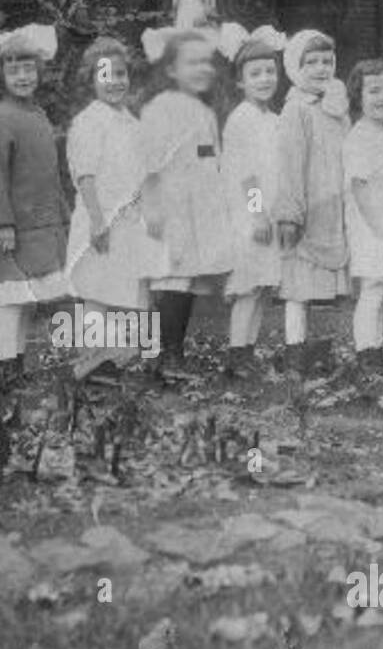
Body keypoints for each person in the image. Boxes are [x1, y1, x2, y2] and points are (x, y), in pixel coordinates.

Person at [138, 28, 233, 382]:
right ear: (171, 70)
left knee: (189, 278)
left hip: (198, 206)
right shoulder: (160, 109)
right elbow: (148, 165)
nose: (203, 69)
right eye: (192, 62)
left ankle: (173, 352)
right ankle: (163, 356)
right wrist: (153, 208)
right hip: (170, 206)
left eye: (207, 62)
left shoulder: (202, 111)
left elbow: (208, 156)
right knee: (171, 278)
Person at [0, 28, 70, 388]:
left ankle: (22, 362)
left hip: (45, 226)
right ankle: (8, 367)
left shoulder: (38, 114)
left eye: (28, 69)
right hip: (16, 228)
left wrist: (64, 215)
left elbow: (49, 173)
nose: (23, 77)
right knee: (13, 300)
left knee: (34, 299)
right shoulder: (1, 119)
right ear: (1, 76)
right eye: (14, 71)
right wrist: (2, 223)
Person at [64, 36, 152, 383]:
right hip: (99, 217)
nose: (115, 81)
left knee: (125, 288)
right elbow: (85, 175)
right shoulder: (89, 121)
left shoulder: (129, 120)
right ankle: (91, 365)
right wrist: (97, 221)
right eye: (105, 75)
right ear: (91, 80)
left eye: (120, 74)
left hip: (129, 221)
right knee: (97, 291)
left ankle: (119, 360)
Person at [272, 30, 351, 377]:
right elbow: (289, 164)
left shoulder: (337, 108)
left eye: (327, 61)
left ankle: (316, 352)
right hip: (306, 208)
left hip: (333, 209)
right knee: (299, 287)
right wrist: (290, 212)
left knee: (324, 286)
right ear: (296, 66)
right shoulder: (295, 110)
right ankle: (293, 352)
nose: (321, 69)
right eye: (312, 62)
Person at [218, 24, 287, 380]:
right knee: (248, 285)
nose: (264, 79)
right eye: (255, 73)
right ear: (241, 82)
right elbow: (246, 174)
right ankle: (236, 354)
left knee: (263, 285)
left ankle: (247, 350)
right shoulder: (241, 119)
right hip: (250, 214)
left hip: (270, 213)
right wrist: (257, 213)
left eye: (270, 72)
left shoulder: (274, 120)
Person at [342, 58, 383, 379]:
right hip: (369, 225)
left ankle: (376, 352)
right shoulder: (362, 135)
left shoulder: (380, 133)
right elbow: (360, 186)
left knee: (379, 289)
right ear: (358, 96)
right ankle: (366, 354)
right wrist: (379, 226)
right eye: (374, 91)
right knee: (373, 288)